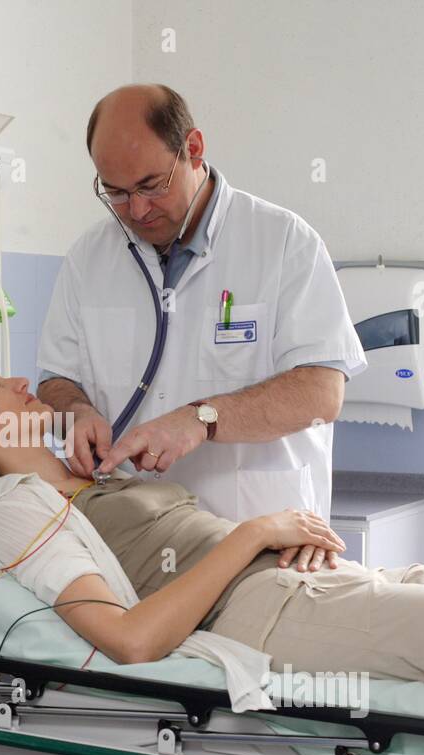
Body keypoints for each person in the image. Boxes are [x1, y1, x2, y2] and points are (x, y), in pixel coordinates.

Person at [0, 352, 424, 692]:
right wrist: (255, 533)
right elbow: (129, 640)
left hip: (313, 584)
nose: (17, 381)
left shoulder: (82, 479)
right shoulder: (15, 509)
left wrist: (288, 538)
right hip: (277, 617)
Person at [37, 84, 368, 577]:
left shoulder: (283, 242)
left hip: (264, 544)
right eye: (116, 192)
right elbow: (55, 379)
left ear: (193, 149)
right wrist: (77, 411)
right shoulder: (90, 256)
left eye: (151, 185)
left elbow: (321, 393)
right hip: (138, 548)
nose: (137, 210)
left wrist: (202, 418)